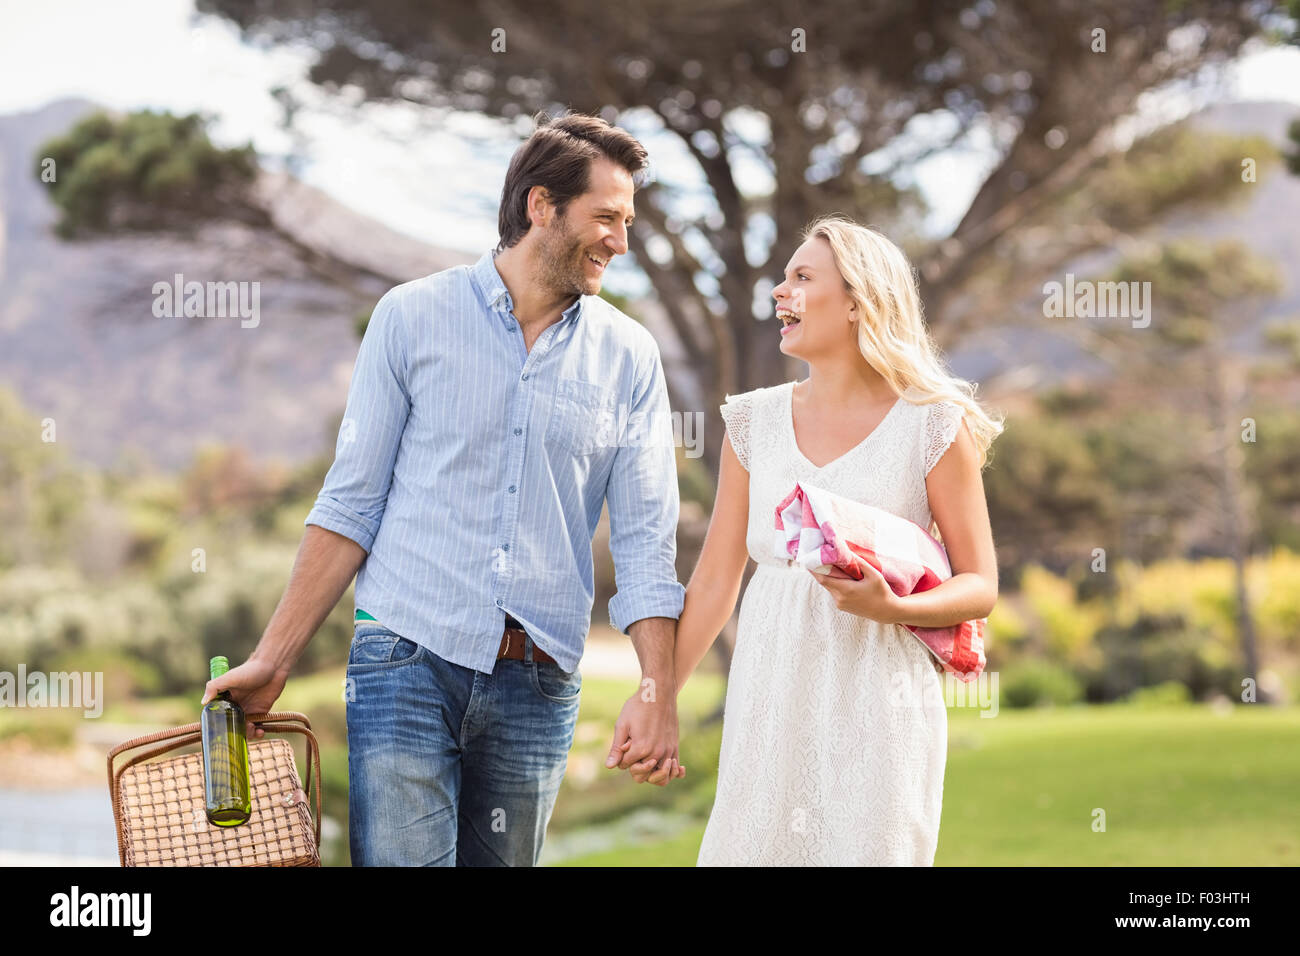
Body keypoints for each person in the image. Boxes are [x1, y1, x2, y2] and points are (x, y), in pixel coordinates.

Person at [201, 112, 688, 866]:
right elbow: (351, 502)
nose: (620, 242)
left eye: (626, 222)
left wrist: (657, 693)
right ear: (540, 205)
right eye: (605, 218)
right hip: (406, 660)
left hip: (539, 679)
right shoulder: (412, 318)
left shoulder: (629, 358)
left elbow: (647, 543)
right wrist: (276, 657)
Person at [672, 215, 1004, 865]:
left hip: (881, 706)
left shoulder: (932, 426)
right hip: (769, 702)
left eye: (802, 278)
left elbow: (980, 586)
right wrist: (658, 699)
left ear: (857, 301)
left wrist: (895, 609)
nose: (778, 292)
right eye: (783, 278)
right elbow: (715, 581)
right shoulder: (752, 422)